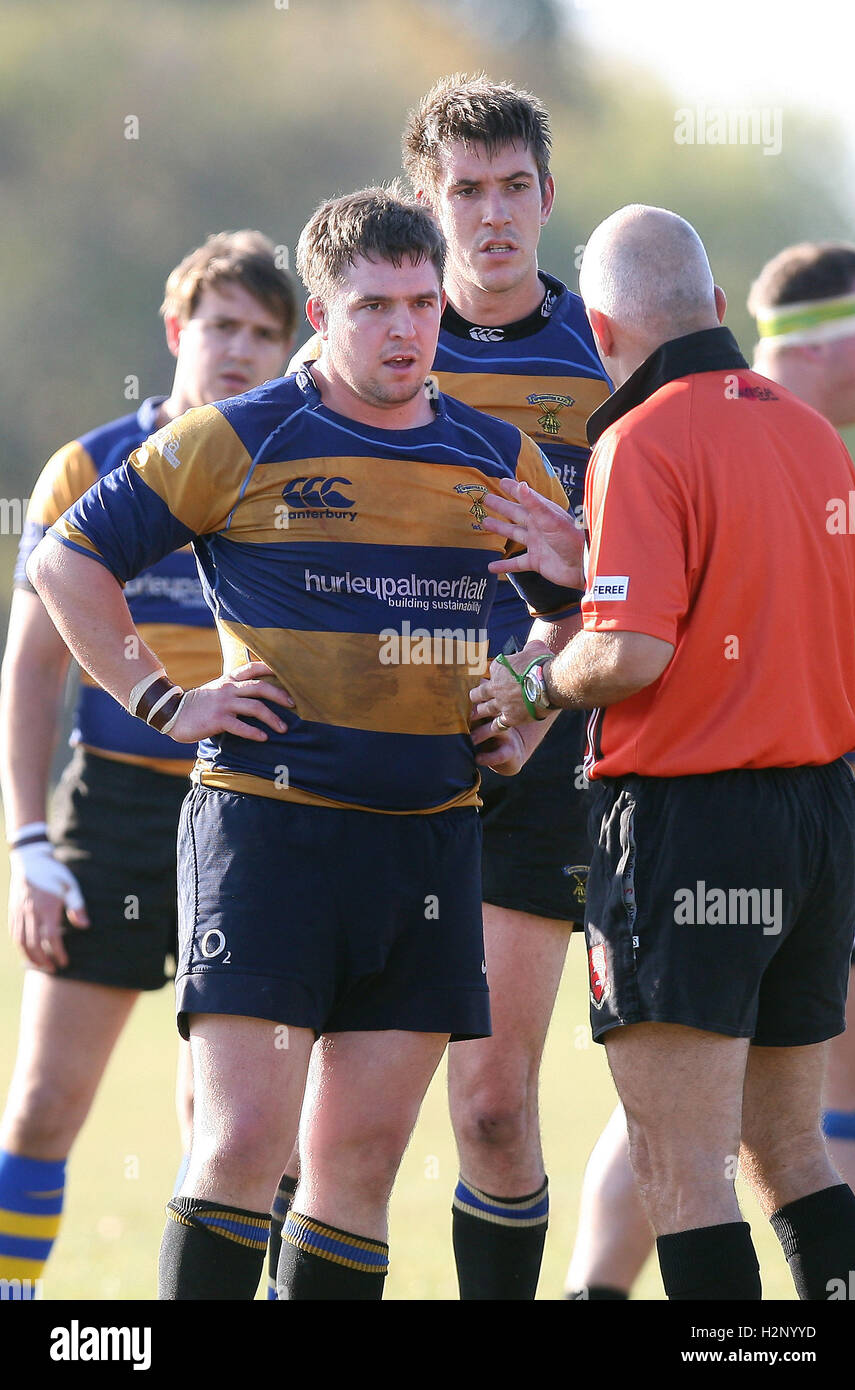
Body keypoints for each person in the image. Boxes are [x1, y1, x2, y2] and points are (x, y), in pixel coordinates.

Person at [26, 187, 586, 1301]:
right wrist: (160, 698)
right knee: (239, 1147)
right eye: (373, 304)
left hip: (428, 848)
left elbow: (571, 611)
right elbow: (64, 562)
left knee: (359, 1165)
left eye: (422, 303)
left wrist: (528, 692)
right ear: (322, 313)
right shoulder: (243, 434)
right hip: (268, 837)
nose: (404, 328)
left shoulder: (495, 453)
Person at [472, 204, 855, 1300]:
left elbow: (635, 653)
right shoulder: (804, 430)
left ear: (598, 330)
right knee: (793, 1156)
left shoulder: (635, 439)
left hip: (691, 825)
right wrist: (584, 571)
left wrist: (532, 678)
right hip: (819, 820)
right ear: (711, 307)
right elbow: (729, 599)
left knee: (682, 1169)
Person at [0, 231, 297, 1297]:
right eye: (221, 325)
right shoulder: (87, 468)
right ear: (177, 332)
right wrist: (28, 841)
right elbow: (31, 670)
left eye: (265, 333)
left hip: (258, 809)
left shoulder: (296, 468)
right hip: (118, 806)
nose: (239, 350)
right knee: (41, 1101)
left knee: (236, 1120)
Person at [402, 72, 610, 1301]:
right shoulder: (365, 343)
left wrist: (538, 685)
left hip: (538, 757)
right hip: (370, 758)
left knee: (487, 1103)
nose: (491, 215)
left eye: (513, 188)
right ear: (427, 200)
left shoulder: (607, 352)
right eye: (464, 190)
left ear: (547, 196)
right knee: (320, 1100)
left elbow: (655, 568)